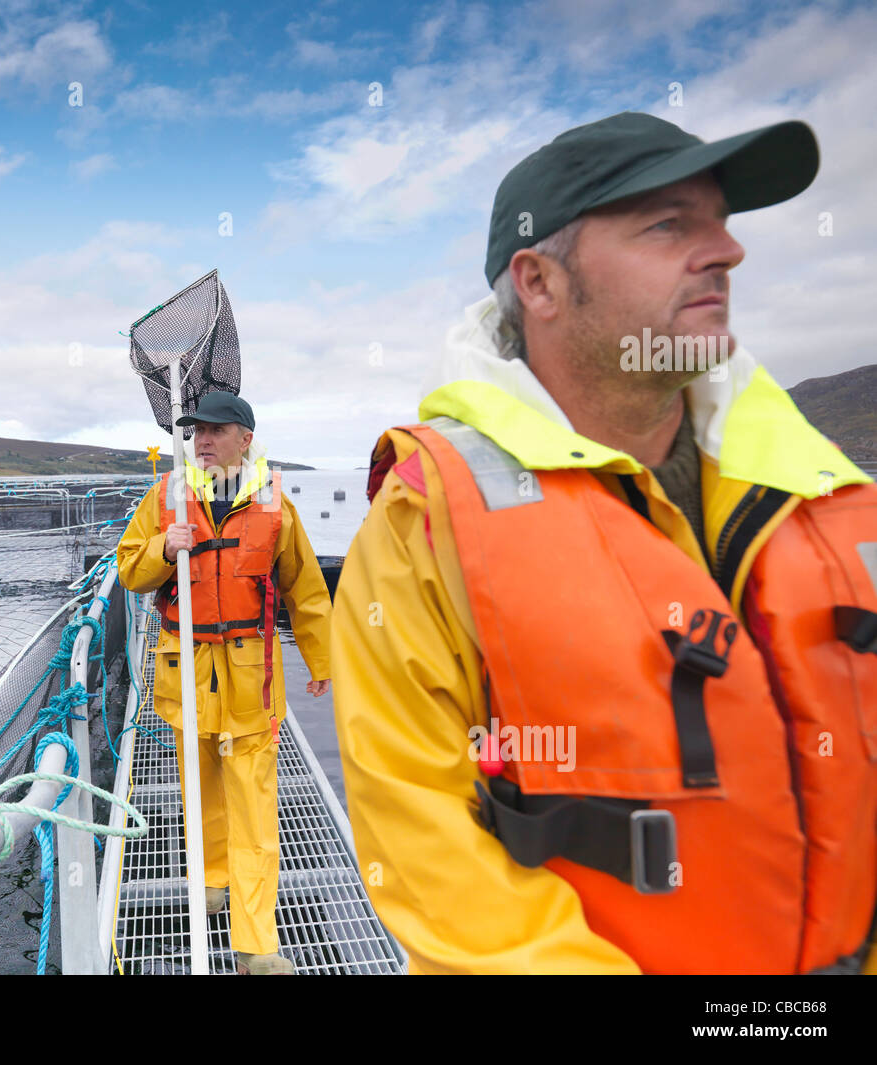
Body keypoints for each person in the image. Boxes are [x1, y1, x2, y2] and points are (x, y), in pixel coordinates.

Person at [331, 111, 877, 974]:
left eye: (722, 222)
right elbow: (430, 855)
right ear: (539, 282)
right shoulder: (425, 525)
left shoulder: (831, 491)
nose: (727, 252)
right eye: (669, 224)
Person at [116, 390, 332, 975]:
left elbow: (306, 592)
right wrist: (166, 546)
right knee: (200, 789)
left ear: (245, 438)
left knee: (255, 809)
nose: (203, 441)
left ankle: (255, 944)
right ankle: (212, 880)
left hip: (251, 686)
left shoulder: (276, 507)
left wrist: (322, 661)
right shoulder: (164, 498)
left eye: (215, 430)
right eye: (196, 432)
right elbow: (130, 569)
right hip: (184, 677)